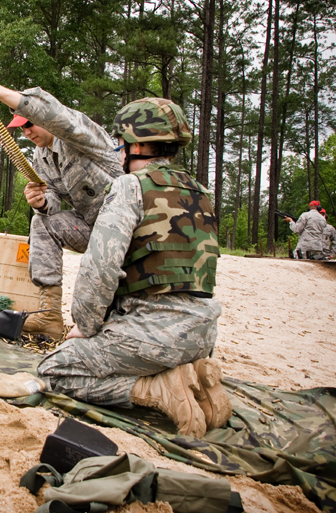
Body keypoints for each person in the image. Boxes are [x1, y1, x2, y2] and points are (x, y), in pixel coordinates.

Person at [36, 97, 231, 439]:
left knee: (54, 370)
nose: (119, 153)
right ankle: (192, 376)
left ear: (137, 144)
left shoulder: (130, 186)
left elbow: (100, 268)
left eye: (121, 145)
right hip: (203, 334)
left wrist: (85, 325)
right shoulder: (200, 190)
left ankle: (155, 391)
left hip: (153, 333)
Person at [0, 74, 123, 340]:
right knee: (43, 224)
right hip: (92, 228)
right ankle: (49, 315)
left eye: (30, 124)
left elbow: (56, 114)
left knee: (109, 313)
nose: (26, 132)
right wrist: (41, 202)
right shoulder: (41, 157)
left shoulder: (79, 133)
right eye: (22, 128)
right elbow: (51, 195)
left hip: (125, 229)